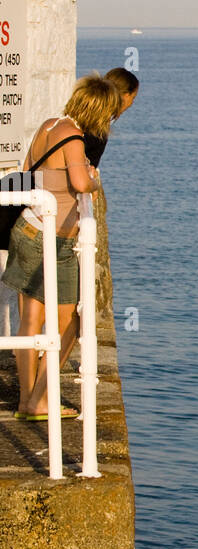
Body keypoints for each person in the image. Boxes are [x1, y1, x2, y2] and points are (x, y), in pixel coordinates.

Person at [1, 74, 116, 420]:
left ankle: (27, 400)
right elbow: (81, 182)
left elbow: (26, 171)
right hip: (55, 241)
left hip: (27, 229)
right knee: (71, 325)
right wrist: (93, 179)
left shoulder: (49, 125)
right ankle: (40, 399)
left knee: (30, 323)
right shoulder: (75, 139)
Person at [82, 67, 139, 168]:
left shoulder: (87, 116)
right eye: (133, 98)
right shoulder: (97, 127)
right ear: (125, 96)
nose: (131, 103)